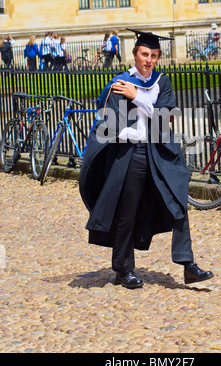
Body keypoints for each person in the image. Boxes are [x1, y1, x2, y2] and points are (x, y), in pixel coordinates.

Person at [79, 28, 214, 289]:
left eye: (153, 55)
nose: (148, 60)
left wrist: (137, 97)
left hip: (158, 151)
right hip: (131, 153)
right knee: (126, 210)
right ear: (135, 54)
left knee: (178, 202)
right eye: (144, 54)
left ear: (158, 57)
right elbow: (107, 119)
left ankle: (188, 265)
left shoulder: (162, 82)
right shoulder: (120, 82)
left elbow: (165, 117)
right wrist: (135, 107)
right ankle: (123, 269)